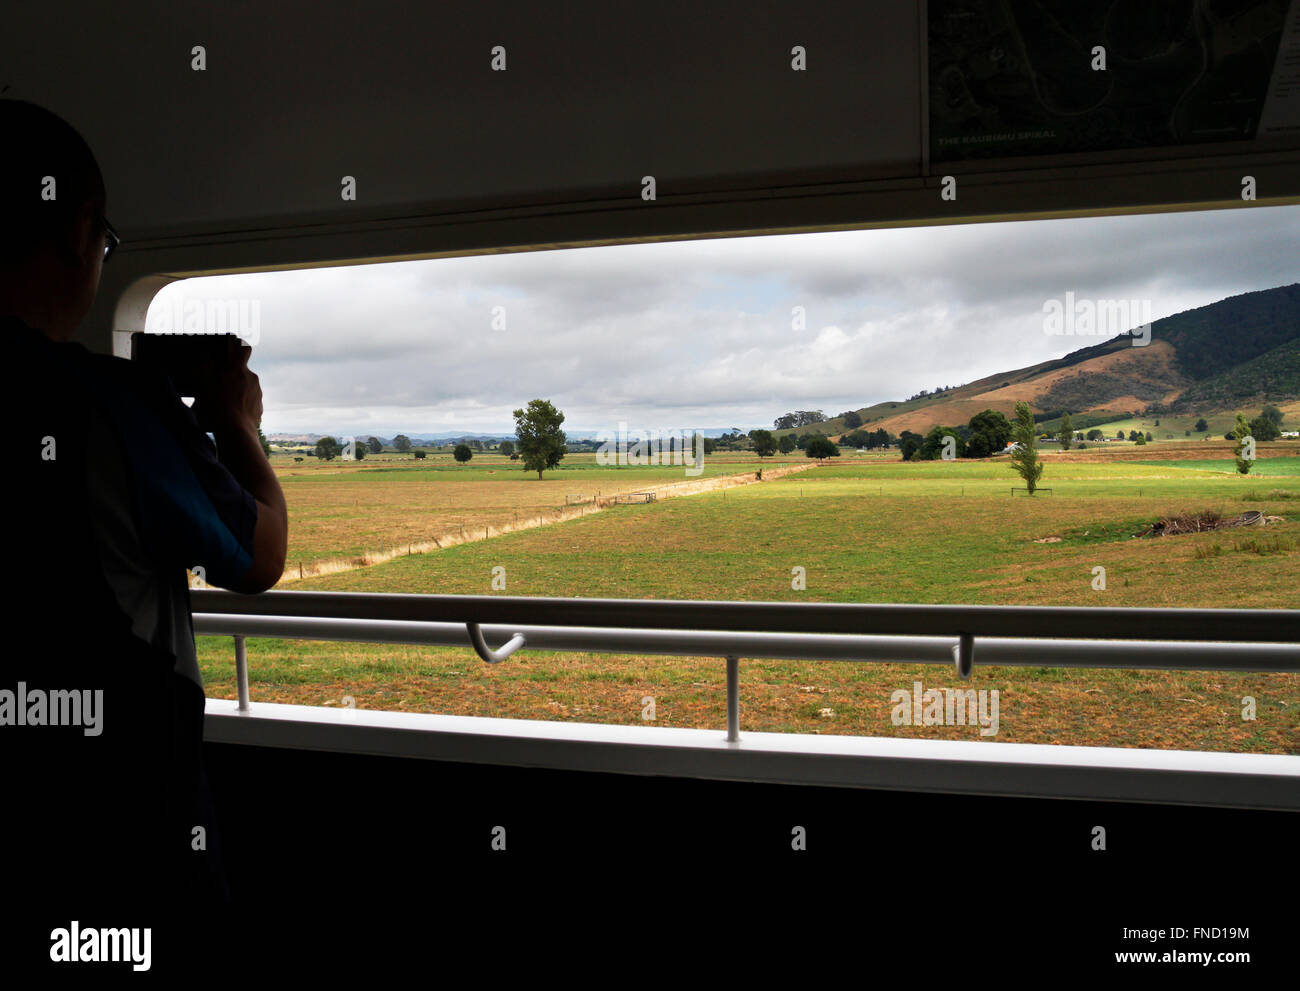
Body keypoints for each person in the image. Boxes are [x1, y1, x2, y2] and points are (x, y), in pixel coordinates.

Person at [0, 99, 288, 920]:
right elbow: (259, 554)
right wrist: (239, 426)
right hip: (117, 825)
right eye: (107, 244)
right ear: (79, 230)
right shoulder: (114, 407)